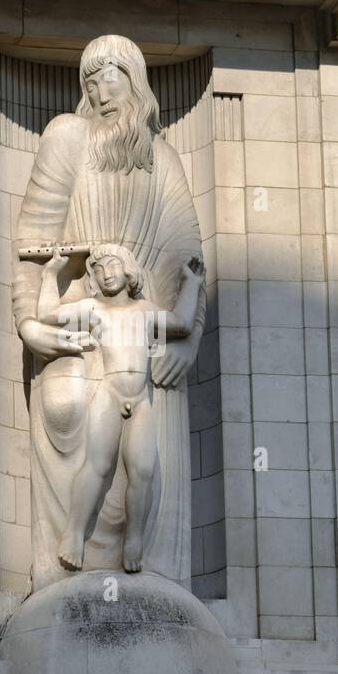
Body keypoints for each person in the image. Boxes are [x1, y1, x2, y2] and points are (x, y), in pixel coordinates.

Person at [37, 243, 204, 572]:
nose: (104, 274)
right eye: (97, 270)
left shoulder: (144, 311)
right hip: (110, 394)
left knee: (143, 472)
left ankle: (134, 540)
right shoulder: (93, 309)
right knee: (97, 467)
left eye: (111, 265)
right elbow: (46, 315)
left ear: (128, 269)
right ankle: (72, 535)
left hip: (139, 398)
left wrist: (191, 284)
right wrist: (50, 273)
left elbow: (183, 324)